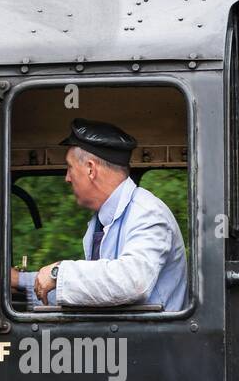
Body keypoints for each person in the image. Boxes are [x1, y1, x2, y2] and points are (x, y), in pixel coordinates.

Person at [12, 118, 187, 311]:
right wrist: (19, 281)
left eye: (70, 168)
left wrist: (57, 272)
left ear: (90, 168)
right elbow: (94, 290)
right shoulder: (100, 221)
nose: (67, 178)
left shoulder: (148, 213)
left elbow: (132, 282)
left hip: (156, 340)